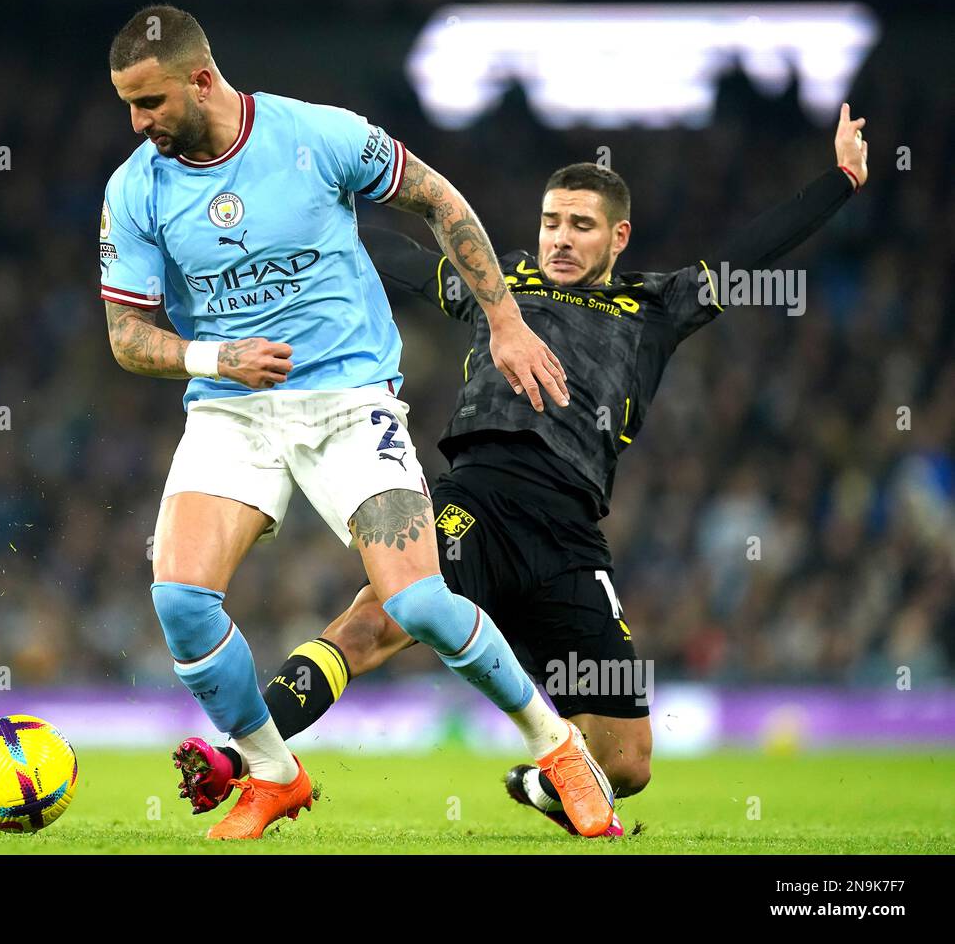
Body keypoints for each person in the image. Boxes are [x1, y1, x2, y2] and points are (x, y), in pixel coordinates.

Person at [176, 103, 870, 837]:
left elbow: (748, 254)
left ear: (618, 236)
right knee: (375, 619)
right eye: (551, 223)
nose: (561, 239)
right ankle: (243, 756)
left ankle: (545, 785)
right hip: (475, 500)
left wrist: (841, 181)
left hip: (570, 540)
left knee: (628, 762)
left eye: (581, 225)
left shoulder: (655, 306)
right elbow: (408, 263)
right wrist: (311, 219)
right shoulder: (499, 285)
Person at [101, 4, 618, 840]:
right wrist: (212, 359)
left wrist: (507, 320)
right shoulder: (135, 188)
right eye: (128, 105)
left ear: (202, 78)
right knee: (181, 602)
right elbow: (125, 334)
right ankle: (273, 774)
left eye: (151, 102)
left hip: (349, 401)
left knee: (417, 603)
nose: (139, 123)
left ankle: (558, 749)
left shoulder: (318, 137)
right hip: (232, 411)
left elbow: (440, 202)